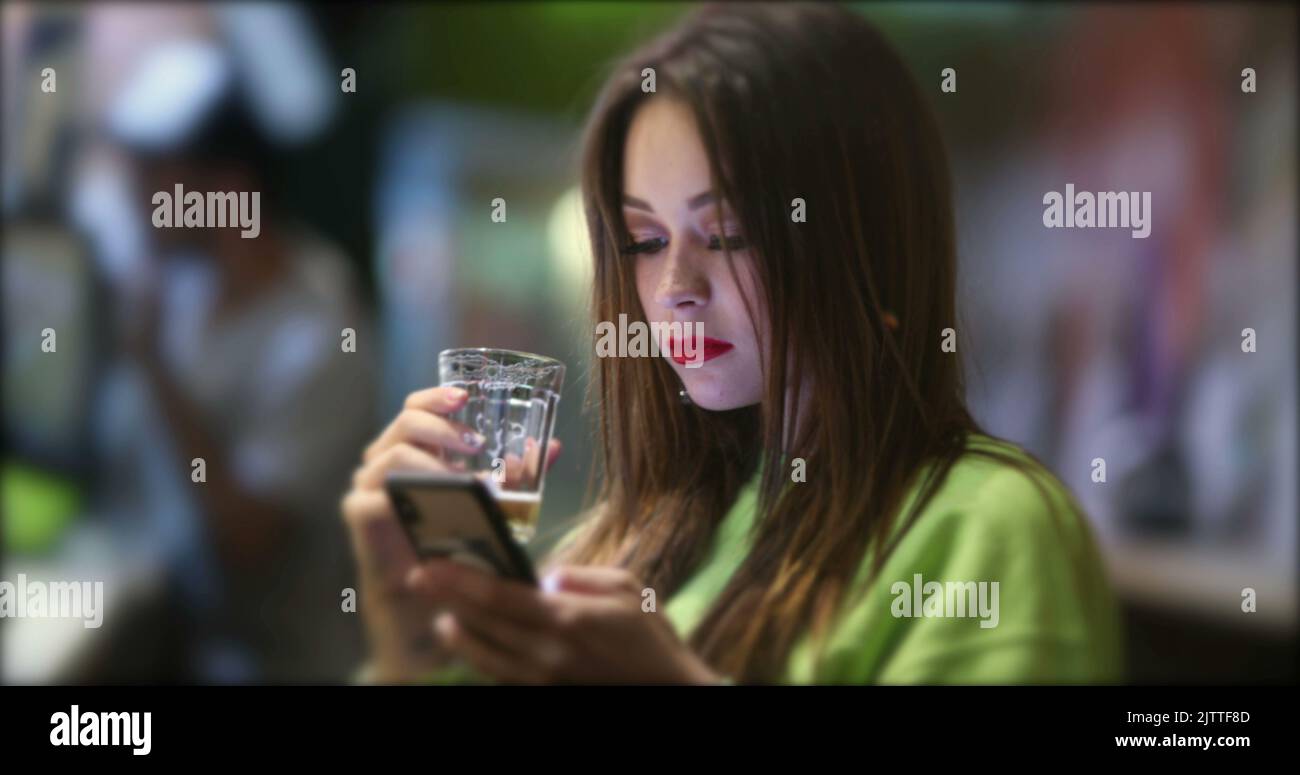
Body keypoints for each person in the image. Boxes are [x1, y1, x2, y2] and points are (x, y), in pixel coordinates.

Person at [341, 2, 1124, 685]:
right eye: (645, 240)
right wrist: (409, 626)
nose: (676, 282)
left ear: (863, 236)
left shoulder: (991, 524)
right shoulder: (637, 531)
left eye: (728, 231)